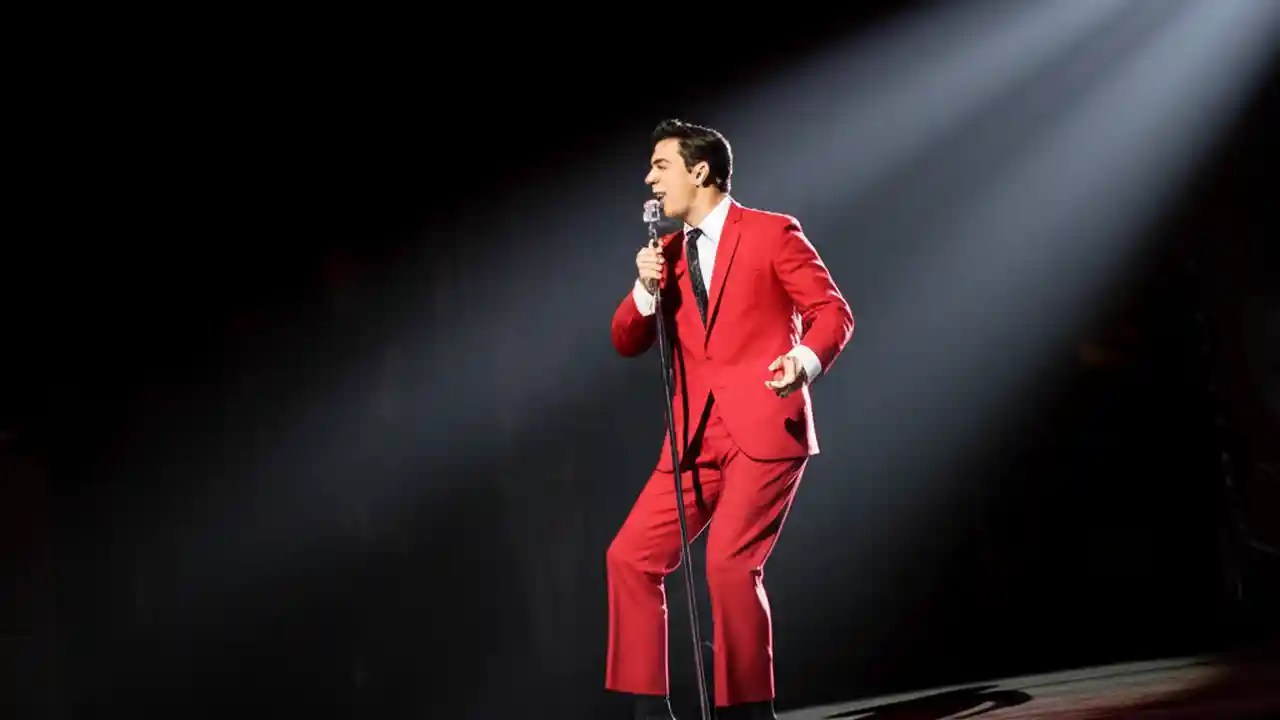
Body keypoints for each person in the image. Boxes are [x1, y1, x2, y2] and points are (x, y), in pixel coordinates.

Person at [606, 119, 854, 720]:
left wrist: (803, 359)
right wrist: (643, 291)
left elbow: (832, 312)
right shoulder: (663, 254)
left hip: (764, 426)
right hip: (694, 436)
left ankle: (748, 710)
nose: (649, 178)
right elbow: (624, 339)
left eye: (660, 165)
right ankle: (646, 709)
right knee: (629, 556)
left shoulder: (770, 233)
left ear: (700, 171)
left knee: (729, 564)